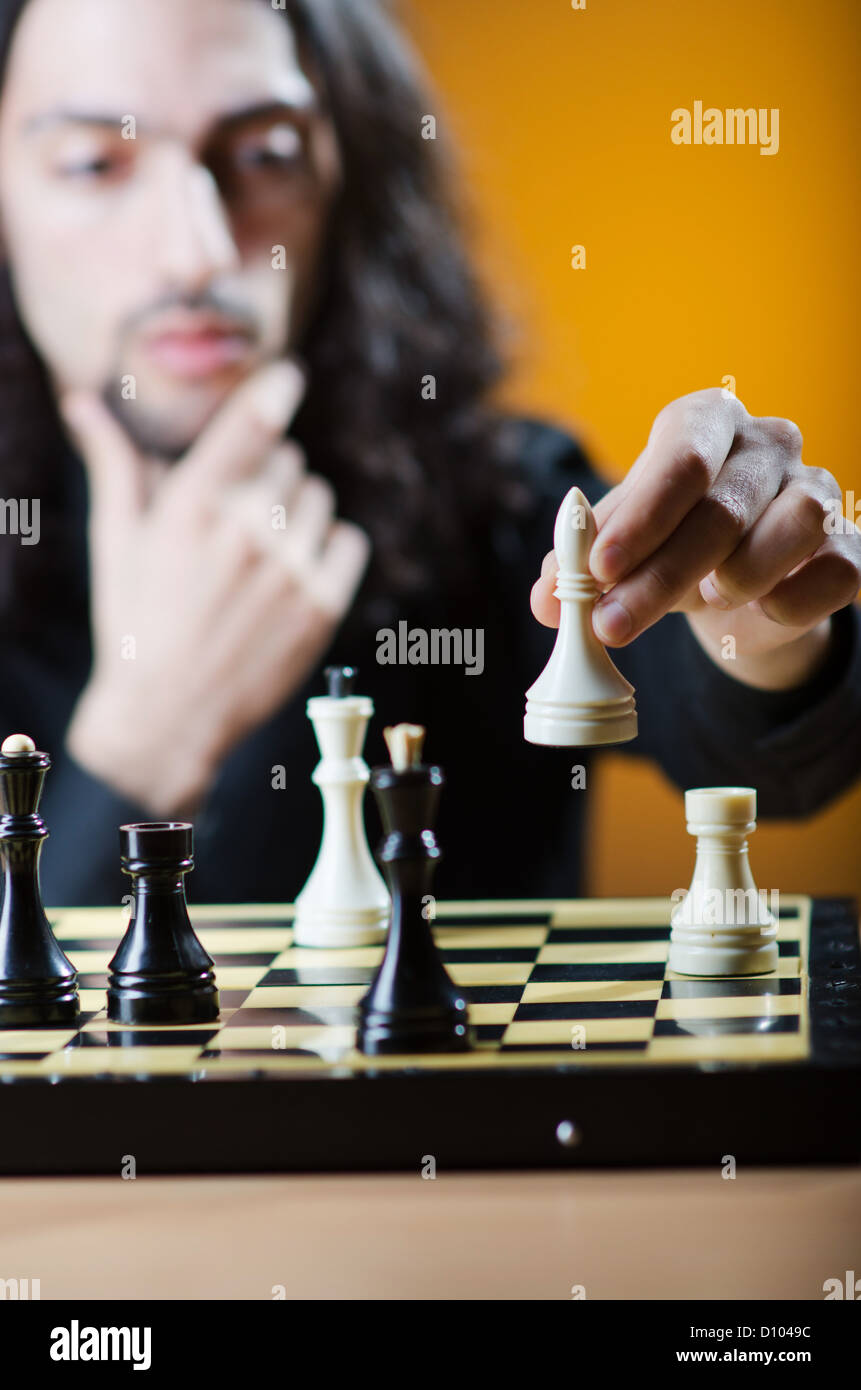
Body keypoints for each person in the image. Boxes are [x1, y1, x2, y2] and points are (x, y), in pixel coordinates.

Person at [0, 0, 858, 906]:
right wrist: (141, 746)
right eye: (94, 163)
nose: (197, 252)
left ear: (347, 174)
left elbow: (773, 747)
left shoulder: (498, 496)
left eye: (263, 155)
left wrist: (761, 617)